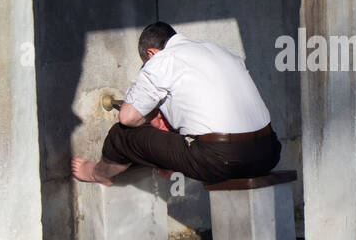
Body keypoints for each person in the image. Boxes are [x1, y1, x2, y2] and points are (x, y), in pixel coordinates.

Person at [71, 22, 281, 187]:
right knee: (175, 132)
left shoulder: (162, 60)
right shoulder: (218, 50)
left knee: (123, 135)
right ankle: (167, 162)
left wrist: (147, 116)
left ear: (151, 54)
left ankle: (96, 173)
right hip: (268, 153)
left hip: (220, 160)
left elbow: (128, 117)